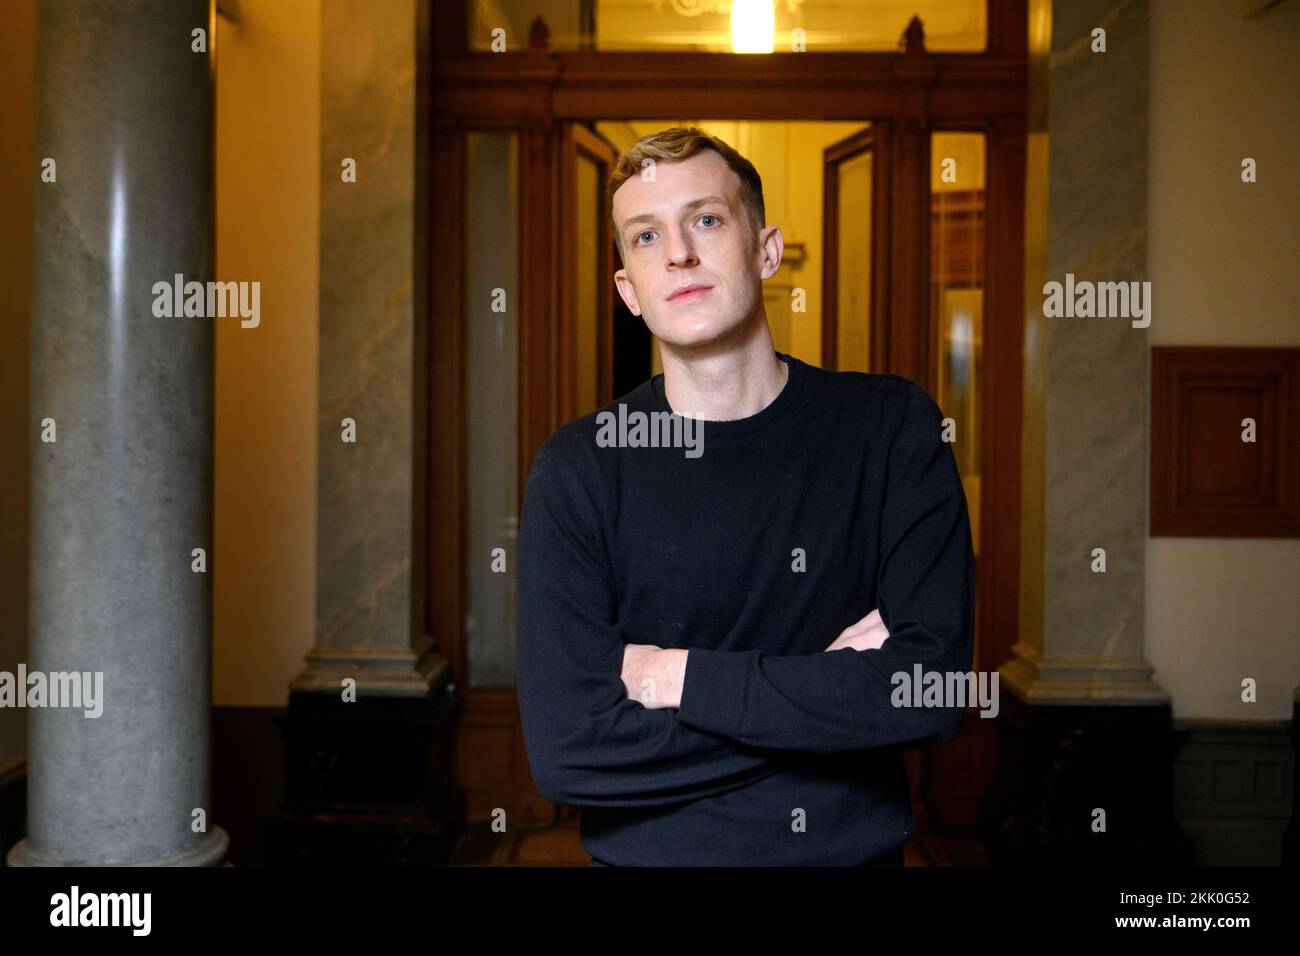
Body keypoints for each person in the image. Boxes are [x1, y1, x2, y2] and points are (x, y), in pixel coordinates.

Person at [516, 126, 975, 866]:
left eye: (705, 219)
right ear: (628, 292)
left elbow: (931, 691)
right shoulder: (579, 469)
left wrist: (676, 677)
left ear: (764, 249)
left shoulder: (891, 429)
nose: (678, 254)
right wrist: (822, 701)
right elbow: (569, 753)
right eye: (644, 236)